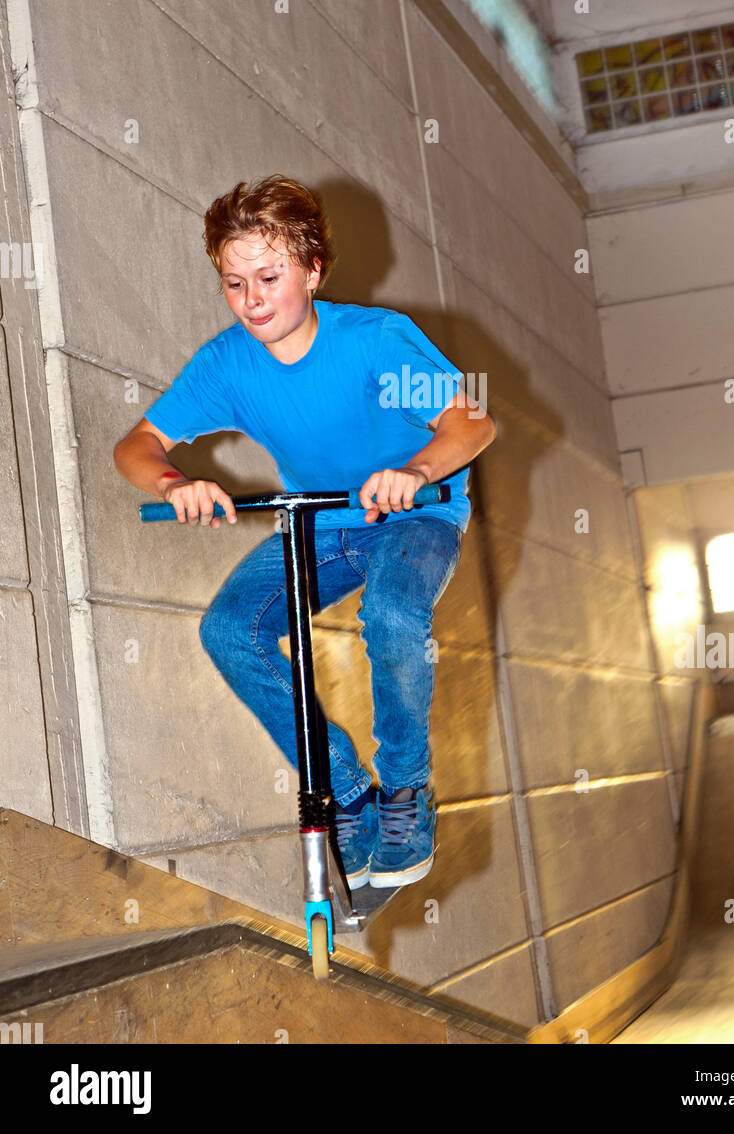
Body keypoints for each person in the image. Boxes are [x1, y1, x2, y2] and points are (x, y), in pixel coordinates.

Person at [114, 174, 496, 892]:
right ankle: (346, 788)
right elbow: (137, 445)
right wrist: (174, 482)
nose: (252, 300)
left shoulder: (376, 344)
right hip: (324, 523)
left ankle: (406, 791)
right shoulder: (227, 365)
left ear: (313, 270)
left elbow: (472, 423)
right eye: (234, 284)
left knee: (389, 615)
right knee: (230, 630)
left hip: (416, 517)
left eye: (269, 276)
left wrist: (413, 471)